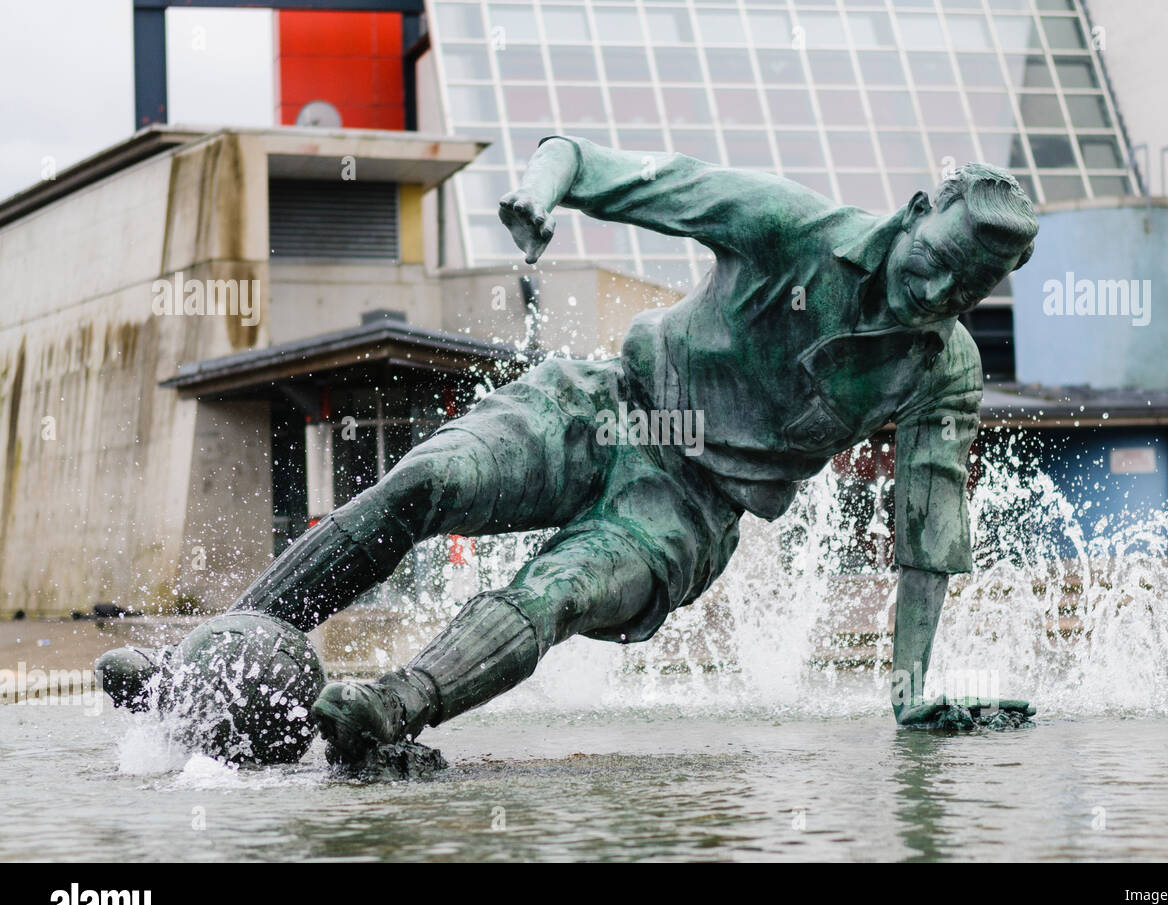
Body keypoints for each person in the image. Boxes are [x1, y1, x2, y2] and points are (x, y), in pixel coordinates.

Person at [101, 136, 1040, 762]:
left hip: (687, 511)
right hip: (607, 406)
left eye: (964, 290)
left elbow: (927, 535)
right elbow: (597, 164)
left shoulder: (943, 370)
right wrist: (540, 190)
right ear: (919, 210)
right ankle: (196, 668)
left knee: (558, 593)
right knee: (427, 480)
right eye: (934, 262)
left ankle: (387, 712)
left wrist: (911, 690)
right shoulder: (791, 228)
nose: (935, 294)